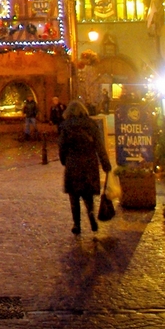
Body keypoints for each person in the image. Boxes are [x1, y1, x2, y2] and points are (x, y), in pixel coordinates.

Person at [58, 100, 112, 234]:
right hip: (89, 163)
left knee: (74, 197)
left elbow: (62, 147)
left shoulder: (65, 126)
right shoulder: (92, 124)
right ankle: (91, 214)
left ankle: (77, 224)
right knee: (88, 194)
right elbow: (99, 146)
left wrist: (64, 161)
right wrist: (106, 164)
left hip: (73, 163)